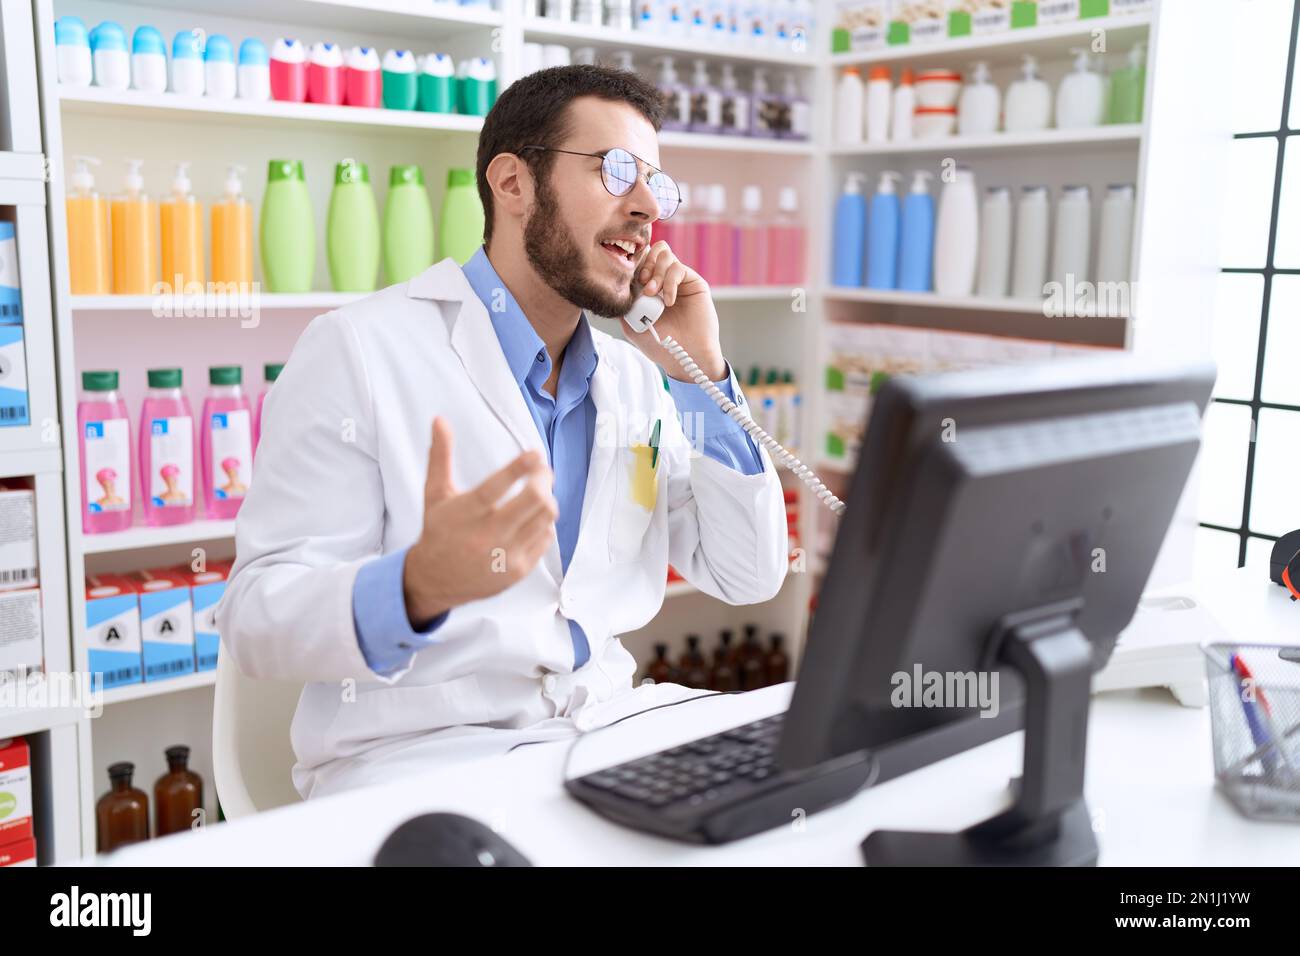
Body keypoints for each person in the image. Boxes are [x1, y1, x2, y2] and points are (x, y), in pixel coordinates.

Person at [217, 65, 788, 798]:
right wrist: (415, 585)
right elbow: (255, 620)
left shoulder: (643, 376)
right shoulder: (357, 349)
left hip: (605, 732)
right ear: (513, 184)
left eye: (657, 183)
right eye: (617, 171)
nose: (648, 207)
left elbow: (748, 574)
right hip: (423, 761)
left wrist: (700, 372)